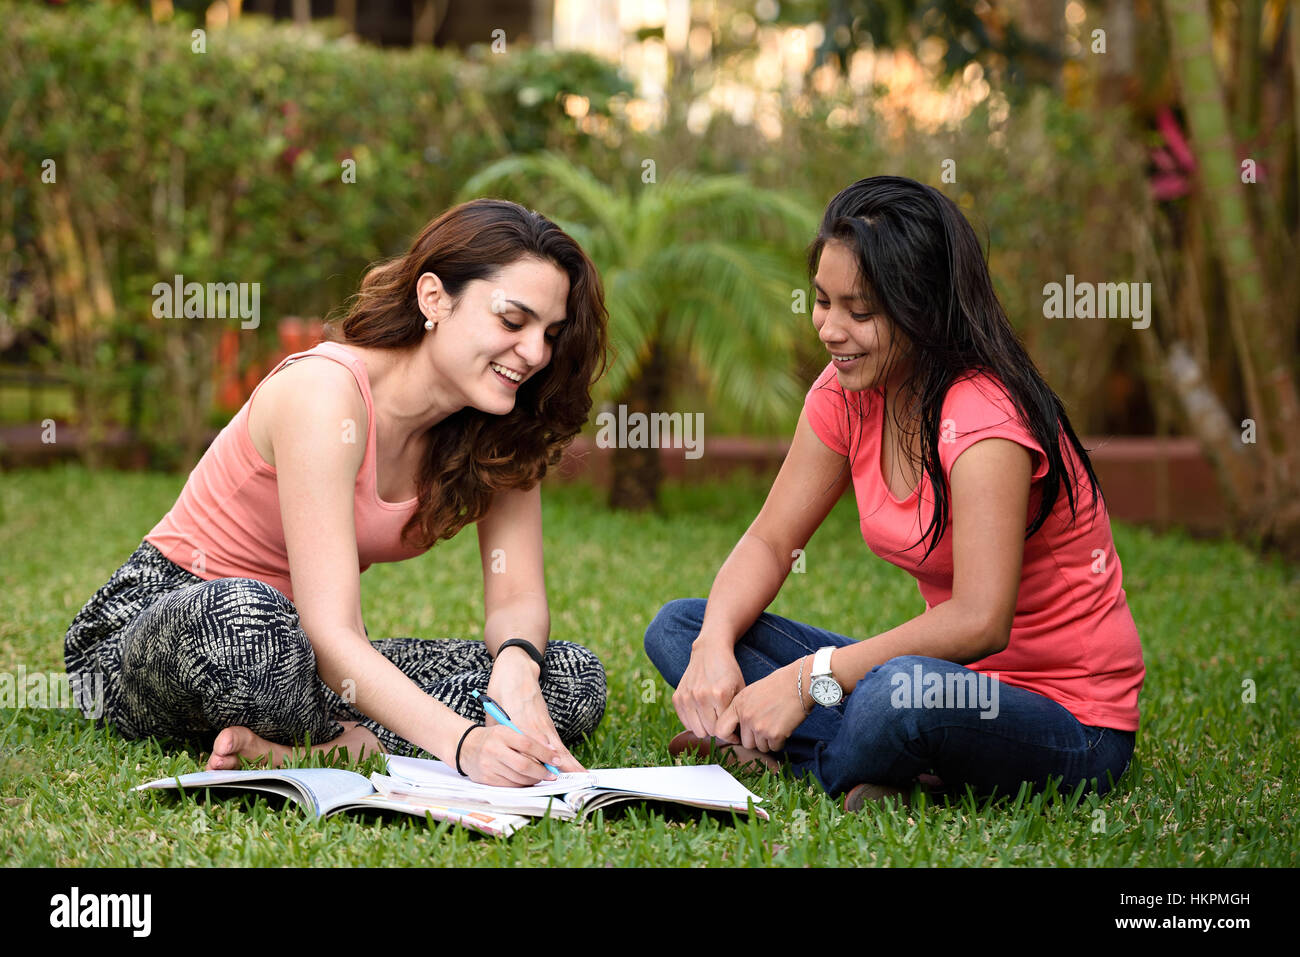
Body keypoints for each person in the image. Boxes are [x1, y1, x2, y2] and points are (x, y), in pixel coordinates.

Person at [65, 199, 610, 787]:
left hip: (303, 652)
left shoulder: (501, 430)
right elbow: (331, 632)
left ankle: (309, 749)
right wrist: (465, 744)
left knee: (570, 679)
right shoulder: (325, 393)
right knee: (251, 623)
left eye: (549, 334)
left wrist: (516, 670)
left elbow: (517, 599)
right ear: (434, 299)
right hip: (172, 627)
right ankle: (350, 742)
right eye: (512, 321)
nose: (535, 353)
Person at [644, 176, 1144, 810]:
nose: (829, 329)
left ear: (923, 311)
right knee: (681, 625)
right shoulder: (847, 392)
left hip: (1067, 720)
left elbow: (981, 619)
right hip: (948, 682)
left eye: (860, 311)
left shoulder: (985, 417)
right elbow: (770, 540)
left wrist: (808, 679)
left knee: (897, 695)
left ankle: (790, 755)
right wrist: (713, 648)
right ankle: (875, 770)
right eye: (822, 301)